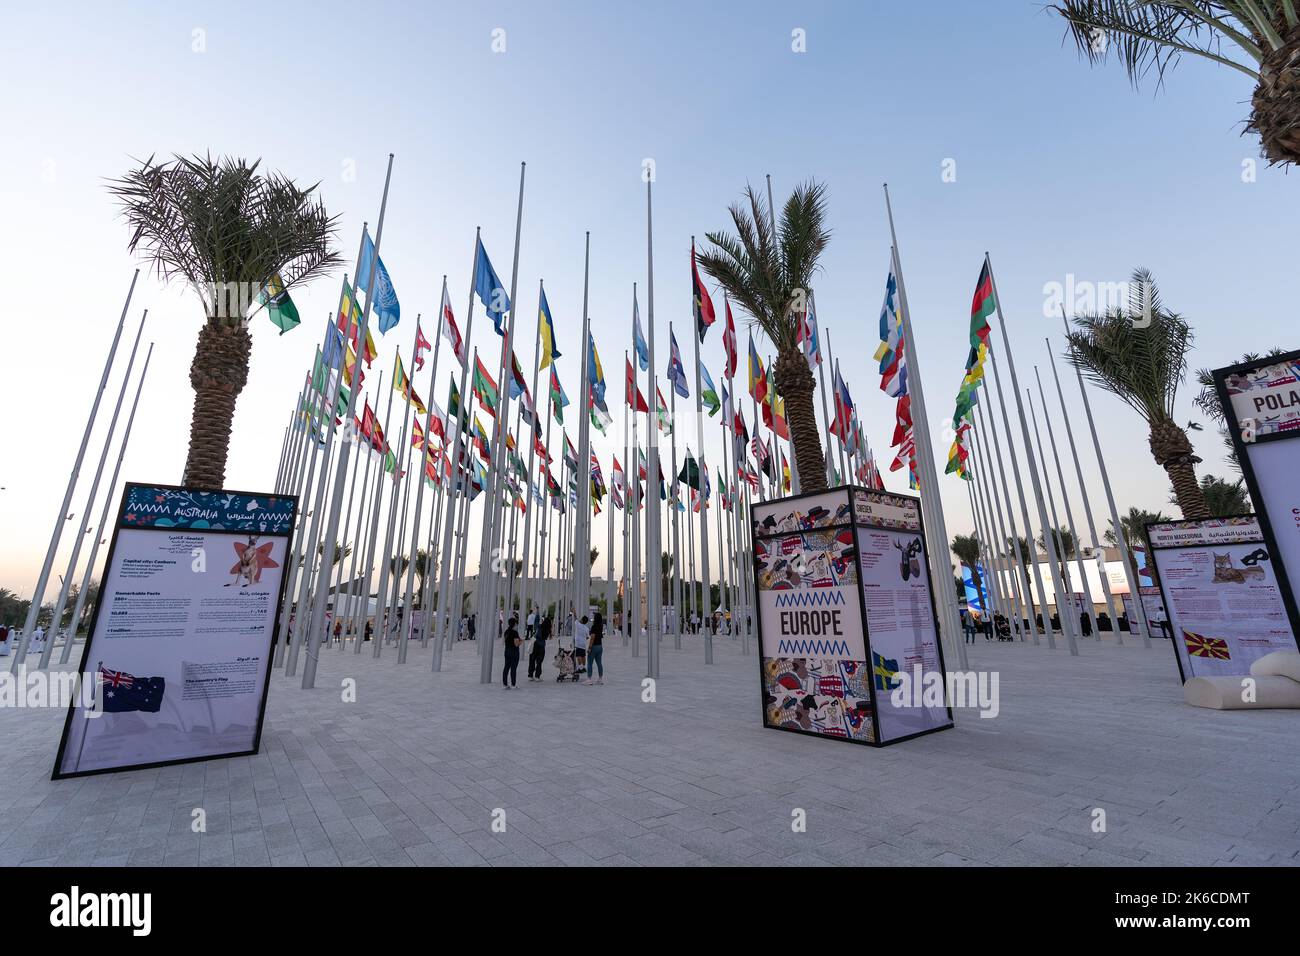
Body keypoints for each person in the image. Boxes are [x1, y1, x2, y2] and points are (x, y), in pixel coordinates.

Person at [528, 612, 552, 680]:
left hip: (535, 643)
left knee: (532, 659)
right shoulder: (547, 630)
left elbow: (536, 622)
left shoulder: (539, 626)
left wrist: (538, 612)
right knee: (539, 661)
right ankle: (537, 676)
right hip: (541, 645)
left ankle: (530, 675)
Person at [502, 614, 522, 689]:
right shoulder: (515, 633)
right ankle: (513, 684)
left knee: (506, 667)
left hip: (507, 651)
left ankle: (505, 684)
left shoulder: (506, 632)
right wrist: (521, 641)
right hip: (514, 652)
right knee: (513, 668)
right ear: (514, 624)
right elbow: (516, 644)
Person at [585, 610, 605, 685]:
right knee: (599, 663)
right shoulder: (601, 626)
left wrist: (589, 647)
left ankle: (589, 679)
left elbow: (592, 637)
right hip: (600, 646)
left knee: (590, 663)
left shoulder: (594, 627)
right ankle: (600, 679)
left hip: (594, 647)